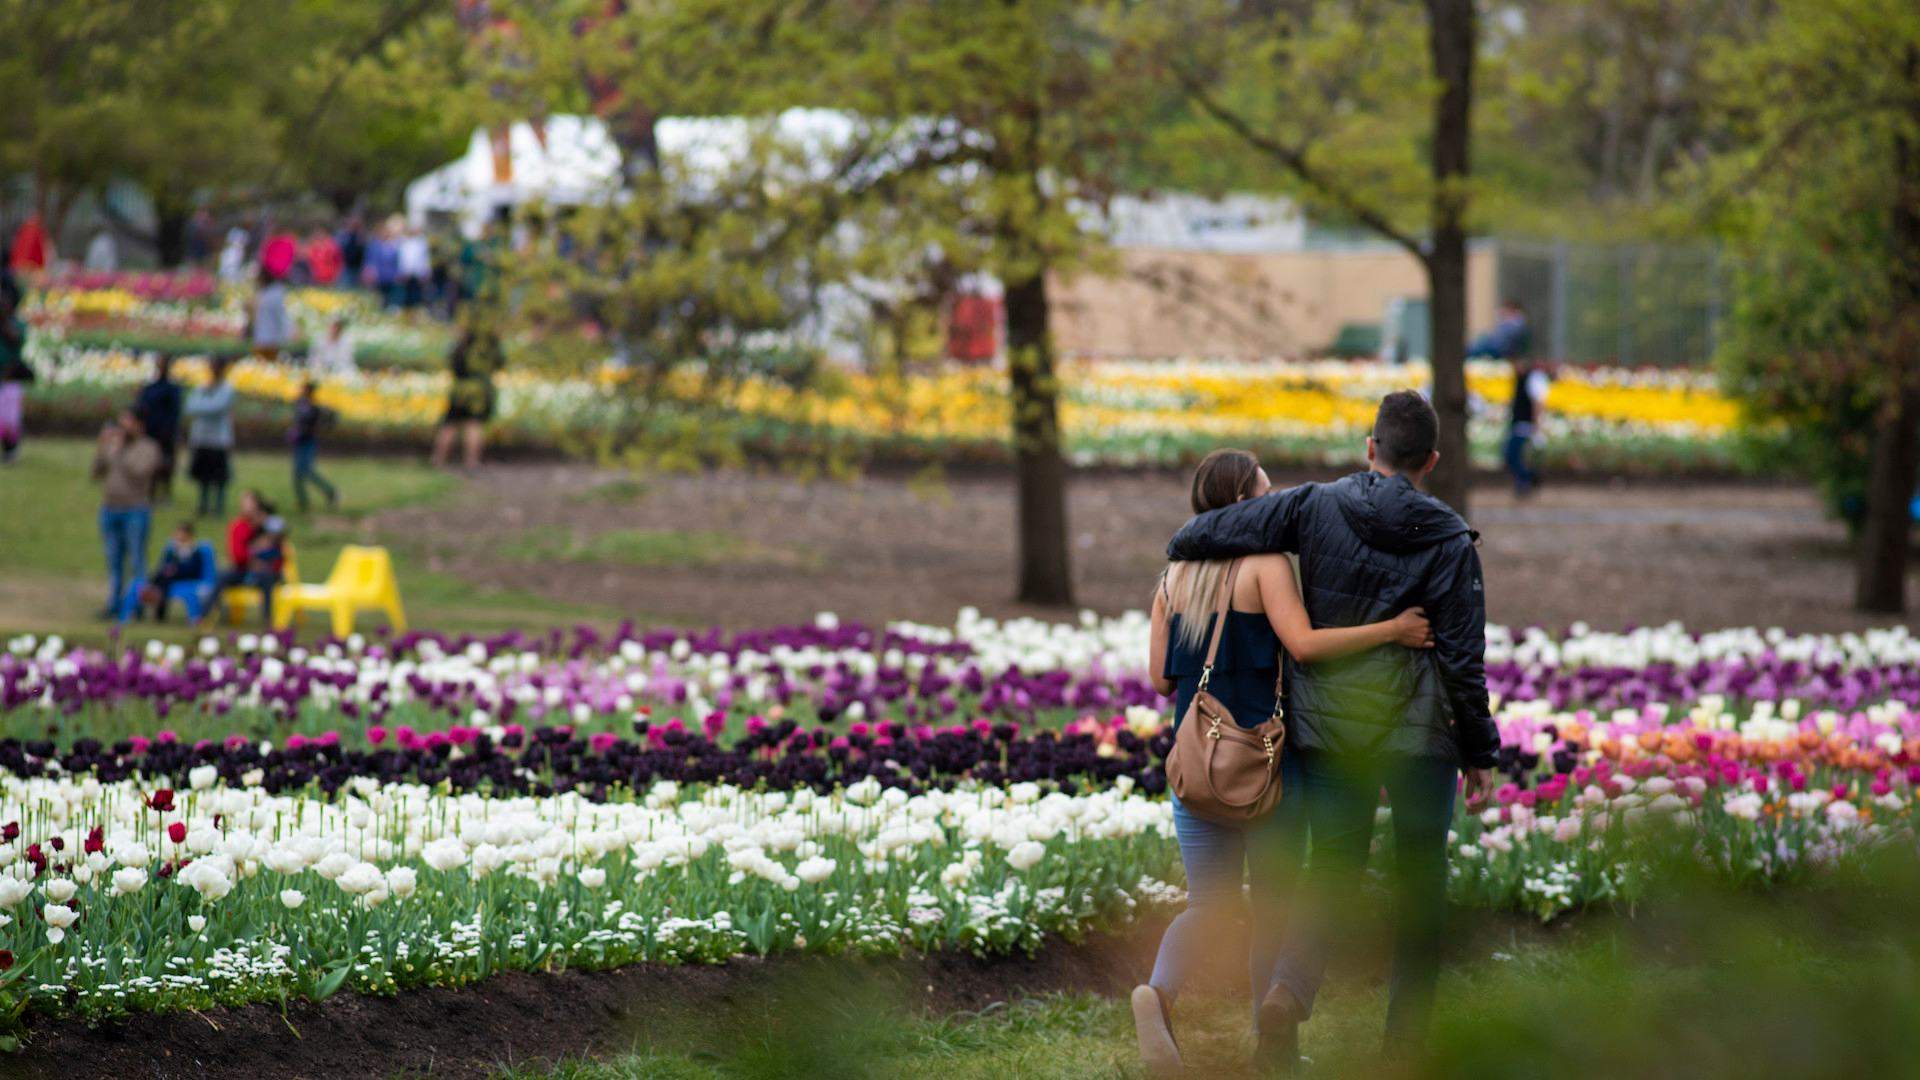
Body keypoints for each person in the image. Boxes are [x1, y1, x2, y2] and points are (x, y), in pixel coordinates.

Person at [1166, 391, 1498, 1059]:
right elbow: (1463, 657)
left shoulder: (1312, 505)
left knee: (1334, 871)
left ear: (1370, 448)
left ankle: (1288, 991)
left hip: (1329, 732)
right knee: (1421, 881)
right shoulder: (1450, 537)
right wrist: (1479, 752)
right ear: (1431, 459)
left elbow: (1190, 537)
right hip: (1420, 735)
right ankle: (1404, 1047)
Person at [1133, 449, 1435, 1076]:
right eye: (1266, 494)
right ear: (1246, 501)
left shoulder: (1171, 578)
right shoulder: (1265, 564)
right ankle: (1275, 1050)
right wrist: (1392, 631)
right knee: (1273, 901)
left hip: (1194, 771)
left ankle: (1156, 992)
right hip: (1267, 769)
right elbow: (1304, 645)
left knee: (1208, 903)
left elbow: (1161, 680)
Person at [92, 408, 163, 619]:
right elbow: (96, 472)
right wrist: (102, 447)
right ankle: (114, 602)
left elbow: (140, 474)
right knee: (113, 560)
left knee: (136, 559)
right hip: (110, 509)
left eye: (128, 422)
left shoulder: (148, 448)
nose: (123, 427)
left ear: (139, 425)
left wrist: (120, 453)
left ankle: (136, 604)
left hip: (135, 510)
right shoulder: (112, 445)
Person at [432, 318, 502, 469]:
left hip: (460, 388)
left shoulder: (461, 346)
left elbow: (451, 362)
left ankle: (439, 460)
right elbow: (499, 363)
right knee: (474, 424)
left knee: (450, 424)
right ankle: (472, 462)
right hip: (479, 390)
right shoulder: (489, 345)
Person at [185, 358, 237, 516]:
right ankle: (203, 505)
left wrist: (203, 405)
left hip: (219, 440)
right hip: (202, 438)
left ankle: (218, 507)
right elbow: (190, 407)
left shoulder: (227, 389)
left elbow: (217, 407)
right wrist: (206, 405)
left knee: (219, 477)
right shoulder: (202, 387)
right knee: (203, 475)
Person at [136, 521, 212, 622]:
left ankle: (154, 592)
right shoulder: (171, 550)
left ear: (189, 536)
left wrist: (182, 557)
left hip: (187, 578)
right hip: (169, 579)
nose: (179, 538)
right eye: (177, 535)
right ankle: (152, 588)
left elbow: (194, 570)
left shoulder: (197, 551)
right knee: (165, 575)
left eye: (182, 536)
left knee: (167, 576)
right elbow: (163, 565)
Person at [135, 355, 184, 501]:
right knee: (150, 462)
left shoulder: (172, 389)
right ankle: (150, 491)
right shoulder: (150, 387)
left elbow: (175, 412)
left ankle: (165, 493)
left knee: (165, 463)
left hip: (165, 433)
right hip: (151, 431)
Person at [1504, 359, 1550, 498]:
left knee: (1512, 456)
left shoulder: (1531, 379)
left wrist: (1536, 425)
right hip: (1520, 423)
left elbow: (1538, 403)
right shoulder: (1523, 379)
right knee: (1513, 456)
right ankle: (1528, 480)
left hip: (1525, 425)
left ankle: (1528, 479)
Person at [290, 380, 339, 512]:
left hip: (308, 442)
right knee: (297, 474)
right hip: (299, 442)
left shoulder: (314, 407)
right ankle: (303, 502)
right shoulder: (301, 404)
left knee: (306, 472)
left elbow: (327, 420)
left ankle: (330, 492)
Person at [0, 281, 31, 464]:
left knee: (9, 418)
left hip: (9, 377)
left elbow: (16, 340)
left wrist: (4, 321)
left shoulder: (15, 324)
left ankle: (10, 450)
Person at [1466, 298, 1531, 361]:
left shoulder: (1517, 322)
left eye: (1505, 310)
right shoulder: (1508, 323)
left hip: (1501, 349)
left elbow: (1504, 338)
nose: (1502, 313)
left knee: (1478, 345)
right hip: (1494, 346)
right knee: (1481, 339)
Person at [250, 267, 292, 362]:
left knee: (269, 366)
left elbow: (281, 317)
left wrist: (286, 334)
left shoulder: (275, 294)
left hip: (272, 340)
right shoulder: (264, 293)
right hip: (261, 338)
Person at [397, 222, 432, 309]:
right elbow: (401, 259)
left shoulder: (421, 243)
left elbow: (424, 259)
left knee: (416, 296)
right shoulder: (403, 241)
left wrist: (426, 272)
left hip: (417, 273)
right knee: (403, 296)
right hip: (405, 273)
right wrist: (402, 271)